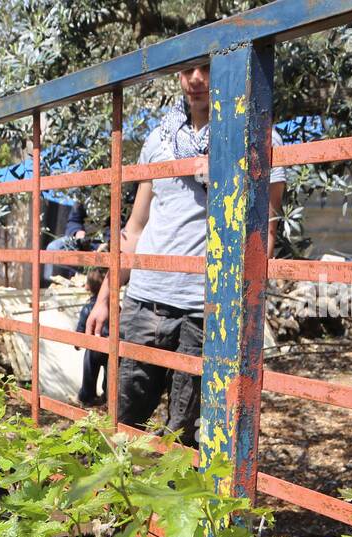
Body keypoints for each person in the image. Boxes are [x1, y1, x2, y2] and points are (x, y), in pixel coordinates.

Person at [83, 61, 286, 446]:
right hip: (144, 303)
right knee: (122, 425)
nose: (196, 79)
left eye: (207, 69)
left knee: (185, 438)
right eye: (187, 70)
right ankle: (119, 507)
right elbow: (135, 226)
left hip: (203, 312)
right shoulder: (160, 137)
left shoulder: (256, 137)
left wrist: (242, 307)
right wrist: (106, 296)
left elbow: (265, 236)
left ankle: (170, 508)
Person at [75, 267, 109, 406]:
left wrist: (77, 343)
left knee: (89, 372)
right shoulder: (115, 307)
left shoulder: (88, 308)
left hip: (93, 347)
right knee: (110, 374)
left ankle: (87, 396)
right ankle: (108, 396)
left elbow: (81, 328)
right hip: (109, 346)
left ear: (88, 286)